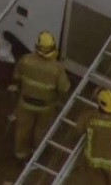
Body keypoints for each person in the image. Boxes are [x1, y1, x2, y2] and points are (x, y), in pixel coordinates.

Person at [10, 31, 70, 161]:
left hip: (25, 103)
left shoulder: (25, 60)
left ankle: (20, 155)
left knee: (22, 128)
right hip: (45, 107)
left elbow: (16, 77)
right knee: (41, 130)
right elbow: (64, 88)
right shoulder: (57, 68)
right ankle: (38, 153)